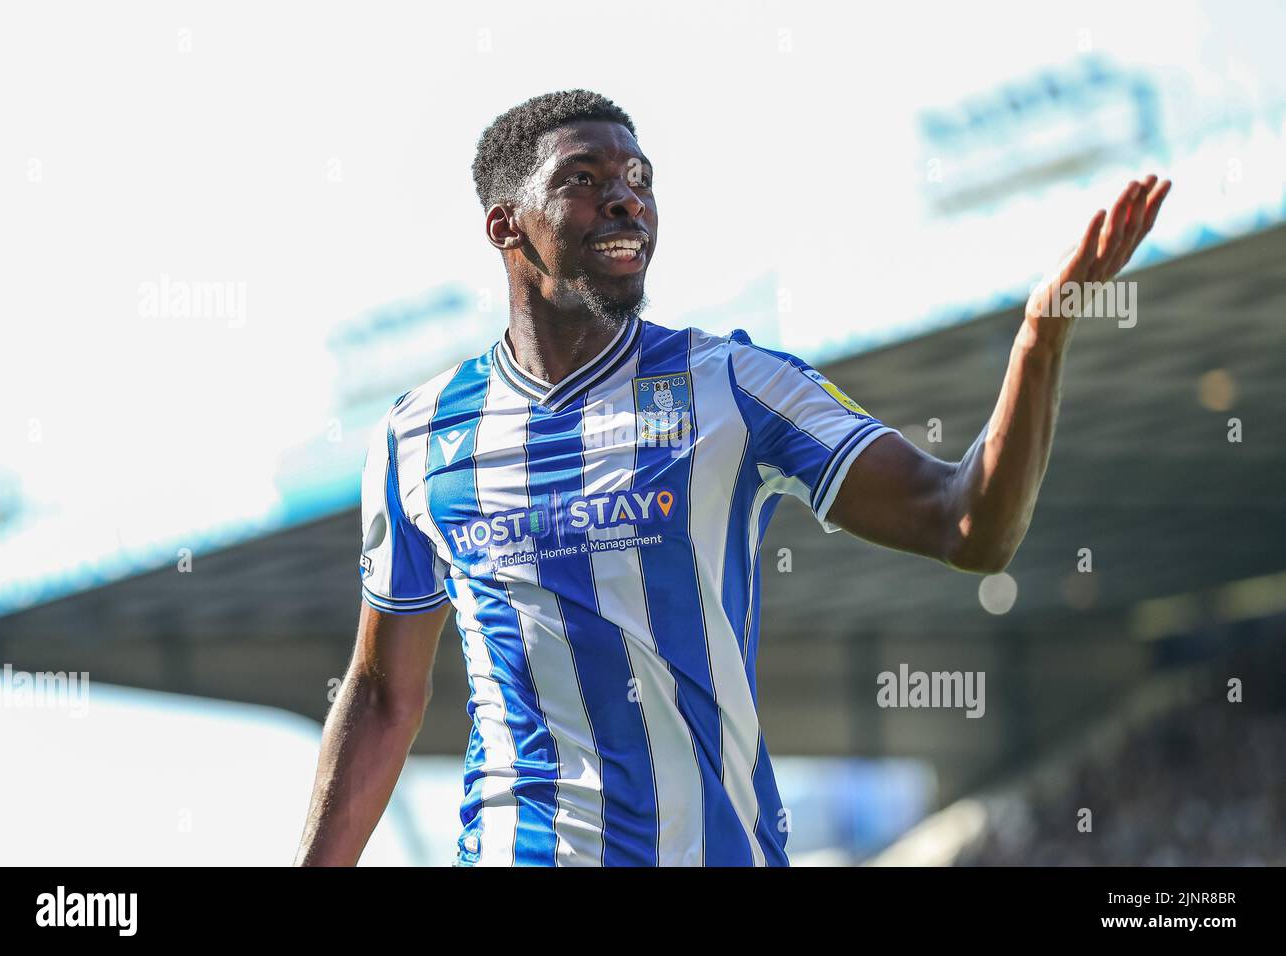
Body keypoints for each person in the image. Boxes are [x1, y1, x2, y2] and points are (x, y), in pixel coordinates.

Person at [295, 89, 1170, 866]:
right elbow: (378, 696)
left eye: (639, 175)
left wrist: (1039, 342)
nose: (626, 195)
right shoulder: (419, 434)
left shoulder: (734, 387)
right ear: (506, 224)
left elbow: (967, 524)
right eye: (585, 176)